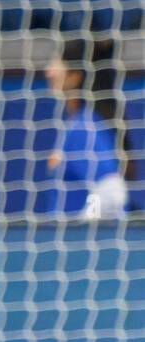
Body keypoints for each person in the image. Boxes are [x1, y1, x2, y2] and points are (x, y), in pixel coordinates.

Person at [43, 37, 128, 218]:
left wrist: (82, 229)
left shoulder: (85, 127)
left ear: (75, 77)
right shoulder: (73, 123)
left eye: (56, 64)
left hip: (78, 243)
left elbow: (112, 191)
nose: (48, 72)